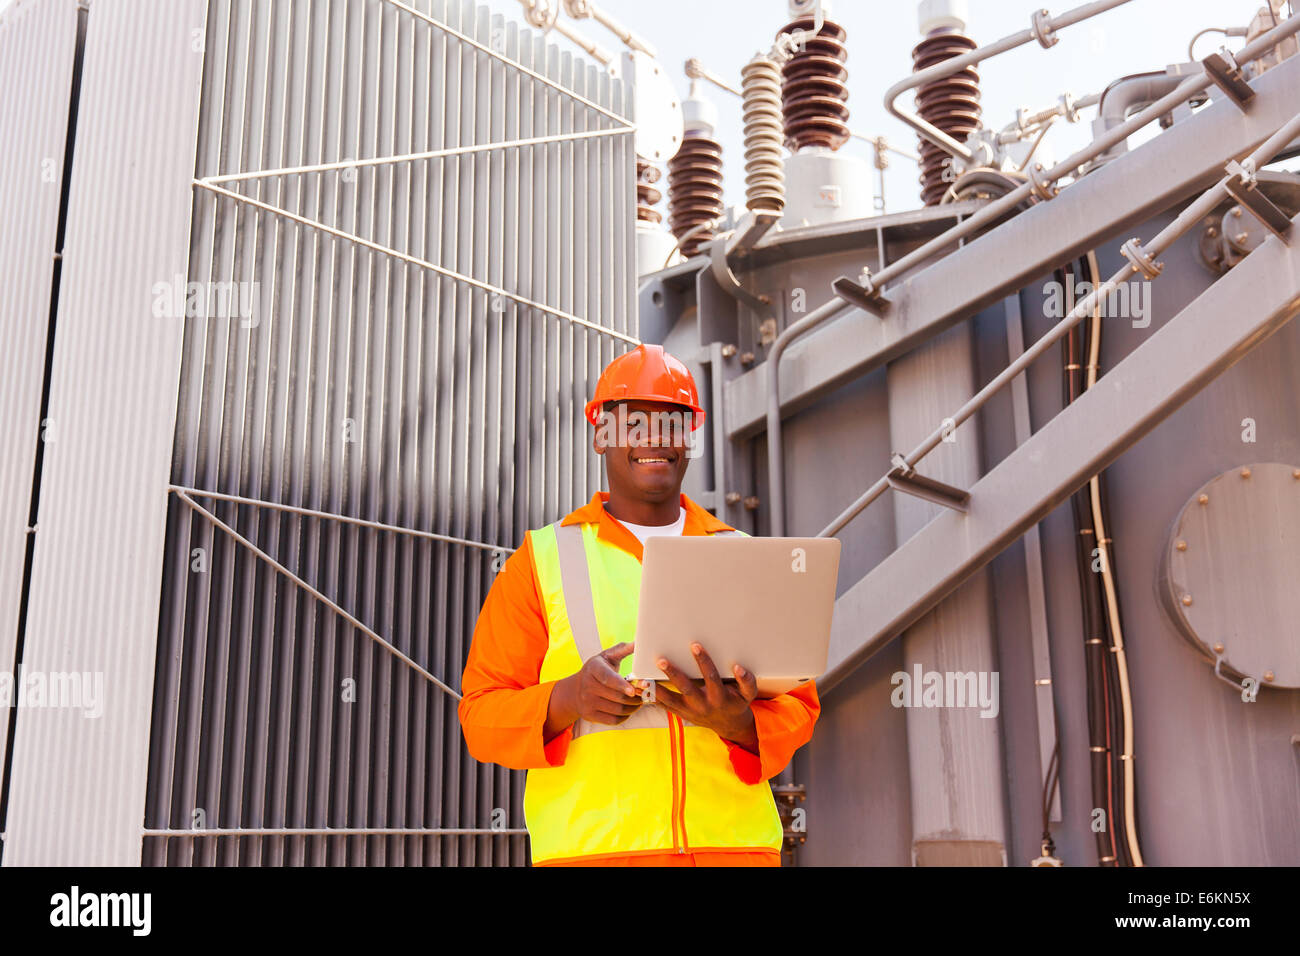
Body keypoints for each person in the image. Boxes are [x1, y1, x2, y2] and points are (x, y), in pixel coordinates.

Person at [458, 343, 819, 866]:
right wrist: (567, 699)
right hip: (597, 856)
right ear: (603, 436)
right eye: (634, 422)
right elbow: (480, 715)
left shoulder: (739, 554)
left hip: (733, 853)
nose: (655, 438)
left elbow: (799, 704)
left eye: (672, 422)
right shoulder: (542, 560)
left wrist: (737, 725)